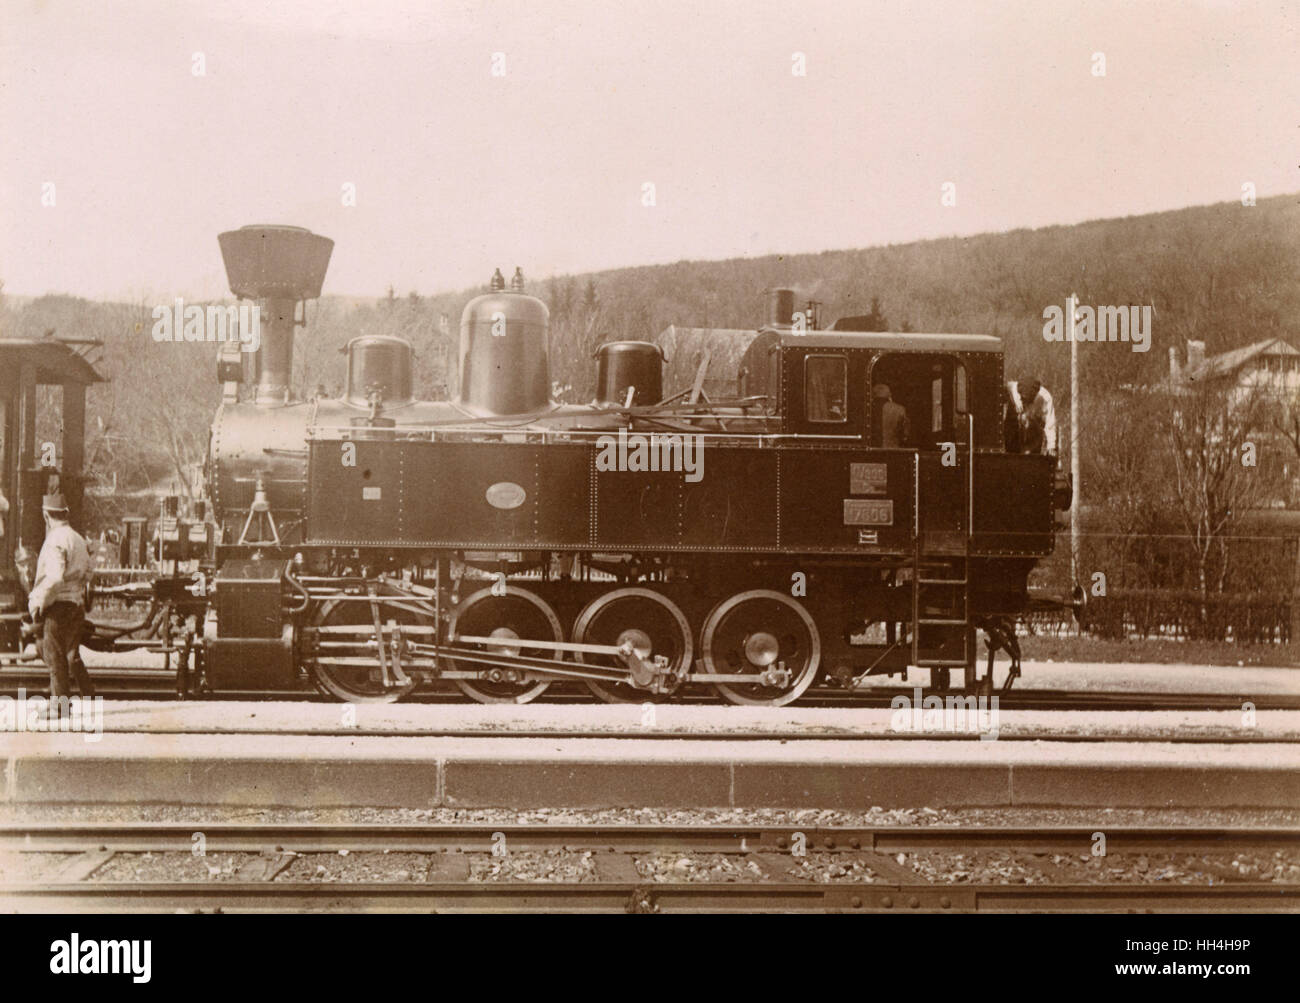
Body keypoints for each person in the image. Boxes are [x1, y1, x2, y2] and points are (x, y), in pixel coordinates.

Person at [28, 492, 95, 702]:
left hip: (58, 606)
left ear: (46, 516)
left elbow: (55, 578)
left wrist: (40, 602)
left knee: (55, 656)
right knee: (70, 655)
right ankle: (90, 698)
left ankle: (59, 707)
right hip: (76, 604)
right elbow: (89, 573)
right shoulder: (78, 539)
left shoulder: (54, 540)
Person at [1013, 378, 1057, 457]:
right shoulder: (1015, 388)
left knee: (1035, 428)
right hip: (1017, 422)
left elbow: (1050, 423)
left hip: (1035, 422)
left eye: (1026, 399)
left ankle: (1031, 453)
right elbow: (1010, 386)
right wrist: (1017, 402)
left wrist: (1051, 446)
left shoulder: (1046, 398)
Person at [872, 383, 910, 448]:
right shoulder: (899, 409)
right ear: (890, 395)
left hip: (871, 452)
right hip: (893, 451)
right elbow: (905, 434)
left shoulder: (867, 409)